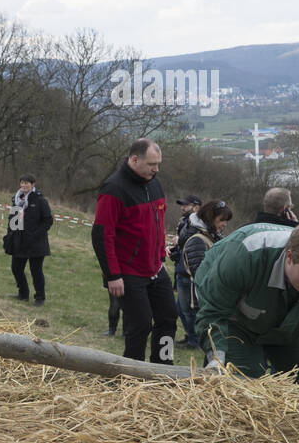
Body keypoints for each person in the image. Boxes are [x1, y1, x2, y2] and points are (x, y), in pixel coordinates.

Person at [194, 222, 299, 393]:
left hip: (288, 322)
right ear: (289, 257)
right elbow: (214, 309)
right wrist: (216, 358)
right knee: (243, 381)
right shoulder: (244, 255)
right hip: (234, 316)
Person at [92, 139, 176, 364]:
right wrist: (112, 275)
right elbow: (101, 235)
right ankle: (132, 376)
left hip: (155, 268)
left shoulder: (155, 183)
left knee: (168, 318)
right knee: (140, 324)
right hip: (128, 272)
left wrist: (160, 254)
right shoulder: (114, 188)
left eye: (158, 164)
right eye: (151, 164)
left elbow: (157, 222)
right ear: (134, 159)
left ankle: (163, 368)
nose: (156, 169)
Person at [179, 199, 233, 342]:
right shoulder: (198, 240)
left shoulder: (213, 237)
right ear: (210, 218)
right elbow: (200, 274)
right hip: (204, 299)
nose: (224, 224)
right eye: (222, 220)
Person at [4, 174, 52, 305]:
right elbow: (14, 221)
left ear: (33, 185)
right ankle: (23, 293)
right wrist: (10, 235)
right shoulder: (17, 199)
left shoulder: (40, 200)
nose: (24, 185)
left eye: (27, 183)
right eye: (22, 183)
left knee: (36, 271)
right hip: (20, 242)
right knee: (16, 268)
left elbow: (48, 221)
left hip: (37, 243)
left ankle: (40, 298)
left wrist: (35, 235)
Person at [171, 195, 202, 348]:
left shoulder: (197, 225)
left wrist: (179, 240)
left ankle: (194, 341)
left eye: (186, 205)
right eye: (182, 205)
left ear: (196, 207)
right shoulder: (184, 223)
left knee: (189, 310)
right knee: (180, 309)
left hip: (189, 273)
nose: (183, 208)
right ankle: (191, 336)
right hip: (180, 270)